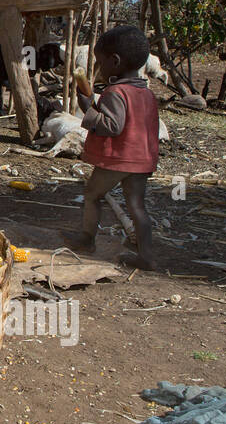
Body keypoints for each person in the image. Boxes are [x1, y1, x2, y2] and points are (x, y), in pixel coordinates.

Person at [61, 25, 159, 269]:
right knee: (137, 206)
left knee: (93, 194)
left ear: (114, 62)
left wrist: (87, 108)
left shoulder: (116, 92)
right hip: (141, 161)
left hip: (119, 160)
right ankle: (146, 256)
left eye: (100, 63)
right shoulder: (145, 93)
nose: (98, 68)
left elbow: (112, 126)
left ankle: (86, 239)